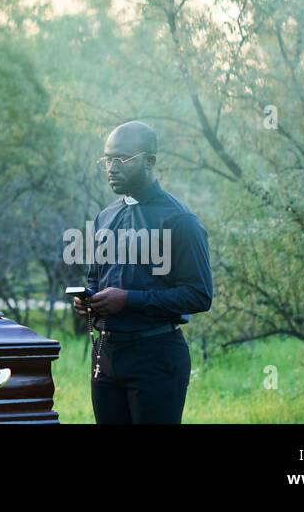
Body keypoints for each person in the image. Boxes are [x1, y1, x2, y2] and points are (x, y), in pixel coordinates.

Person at [72, 120, 213, 423]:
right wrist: (88, 300)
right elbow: (96, 278)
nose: (112, 167)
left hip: (157, 356)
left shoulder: (180, 220)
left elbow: (199, 295)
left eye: (121, 159)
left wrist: (130, 299)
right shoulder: (105, 217)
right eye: (107, 159)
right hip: (106, 354)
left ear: (150, 161)